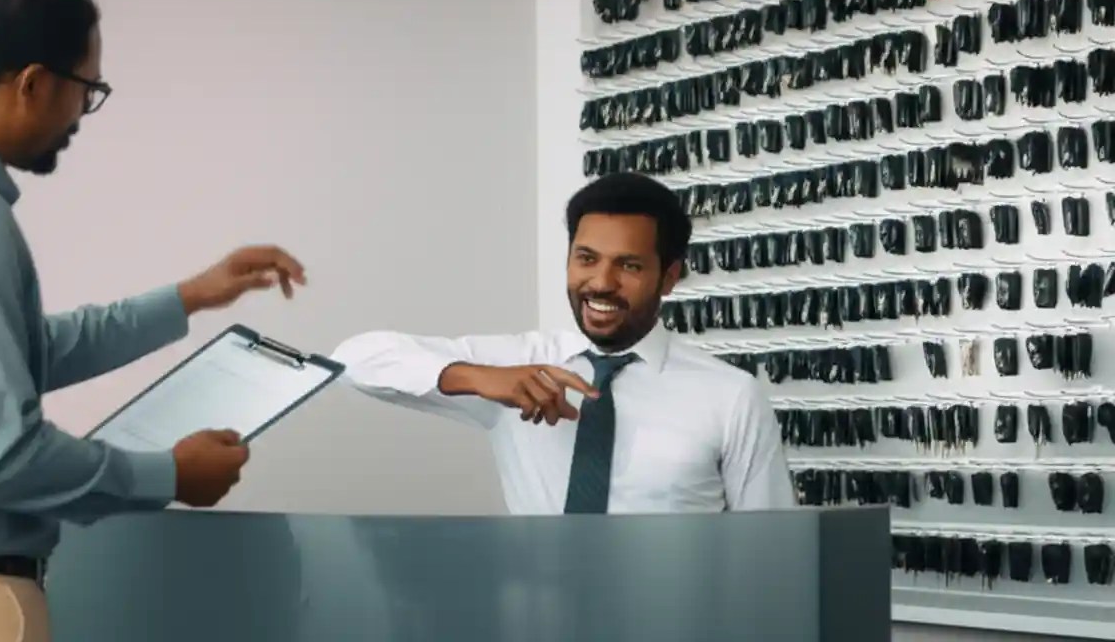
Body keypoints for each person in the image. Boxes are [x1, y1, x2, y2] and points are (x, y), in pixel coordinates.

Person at [0, 0, 306, 641]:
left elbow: (15, 354)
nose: (81, 116)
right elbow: (2, 460)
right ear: (33, 83)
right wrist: (167, 475)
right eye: (87, 90)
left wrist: (192, 295)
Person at [332, 172, 794, 515]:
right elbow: (351, 360)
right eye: (586, 259)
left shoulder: (731, 395)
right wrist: (478, 378)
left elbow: (773, 547)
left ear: (668, 277)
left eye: (629, 266)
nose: (601, 283)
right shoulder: (517, 367)